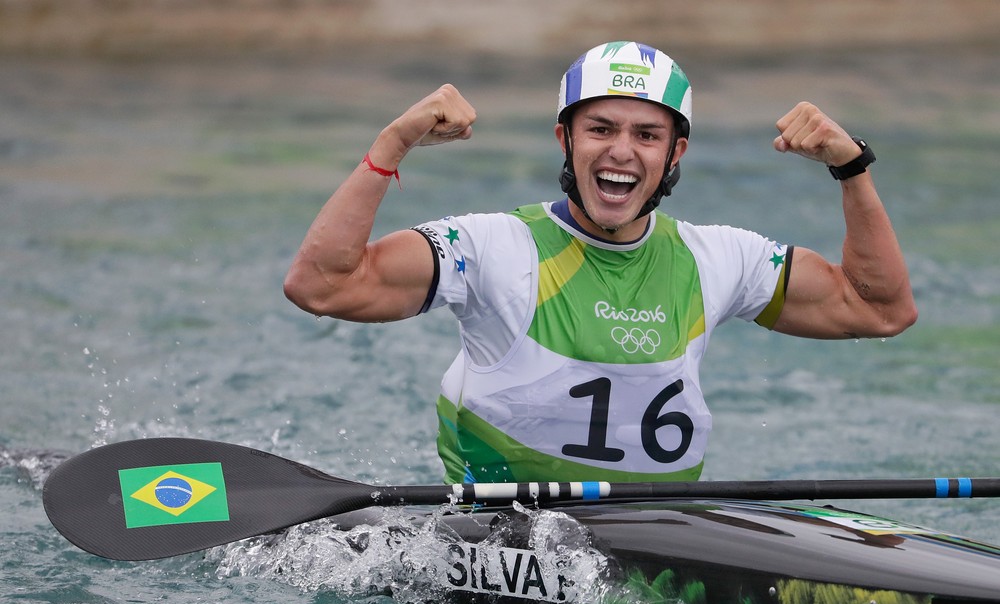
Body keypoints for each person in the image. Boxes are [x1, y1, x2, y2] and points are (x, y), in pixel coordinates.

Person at [284, 41, 917, 486]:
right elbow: (322, 285)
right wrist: (391, 145)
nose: (622, 152)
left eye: (647, 135)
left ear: (676, 155)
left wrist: (852, 168)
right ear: (565, 140)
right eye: (600, 129)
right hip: (499, 537)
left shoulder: (720, 259)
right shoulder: (492, 247)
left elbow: (879, 309)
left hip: (658, 541)